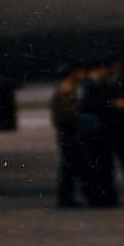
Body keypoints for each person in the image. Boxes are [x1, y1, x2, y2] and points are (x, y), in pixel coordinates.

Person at [82, 67, 124, 206]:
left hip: (109, 132)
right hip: (112, 132)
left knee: (111, 166)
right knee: (117, 166)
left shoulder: (101, 85)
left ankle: (111, 197)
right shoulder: (107, 84)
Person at [49, 74, 87, 209]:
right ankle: (66, 199)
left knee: (69, 166)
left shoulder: (64, 90)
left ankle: (67, 198)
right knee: (69, 167)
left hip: (66, 132)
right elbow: (67, 114)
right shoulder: (65, 90)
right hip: (68, 132)